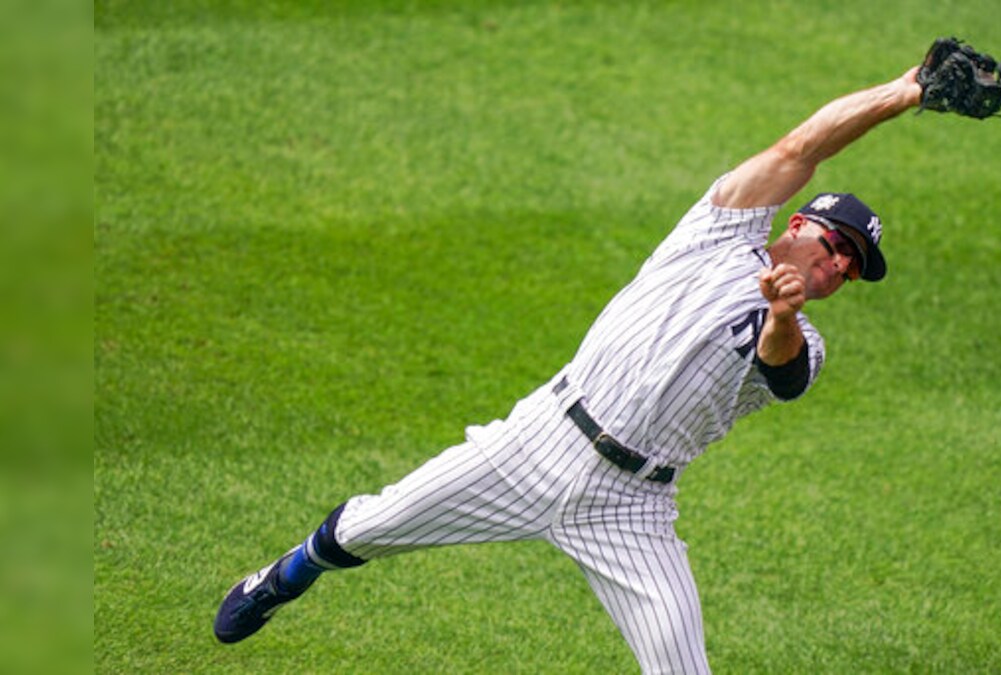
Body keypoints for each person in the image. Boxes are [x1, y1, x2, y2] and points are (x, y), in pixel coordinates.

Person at [214, 64, 925, 673]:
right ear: (797, 223)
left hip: (632, 507)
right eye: (837, 244)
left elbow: (784, 374)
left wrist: (781, 314)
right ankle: (284, 576)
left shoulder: (805, 338)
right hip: (537, 441)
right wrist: (904, 91)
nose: (838, 266)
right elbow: (802, 144)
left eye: (852, 267)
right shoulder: (718, 228)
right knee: (370, 526)